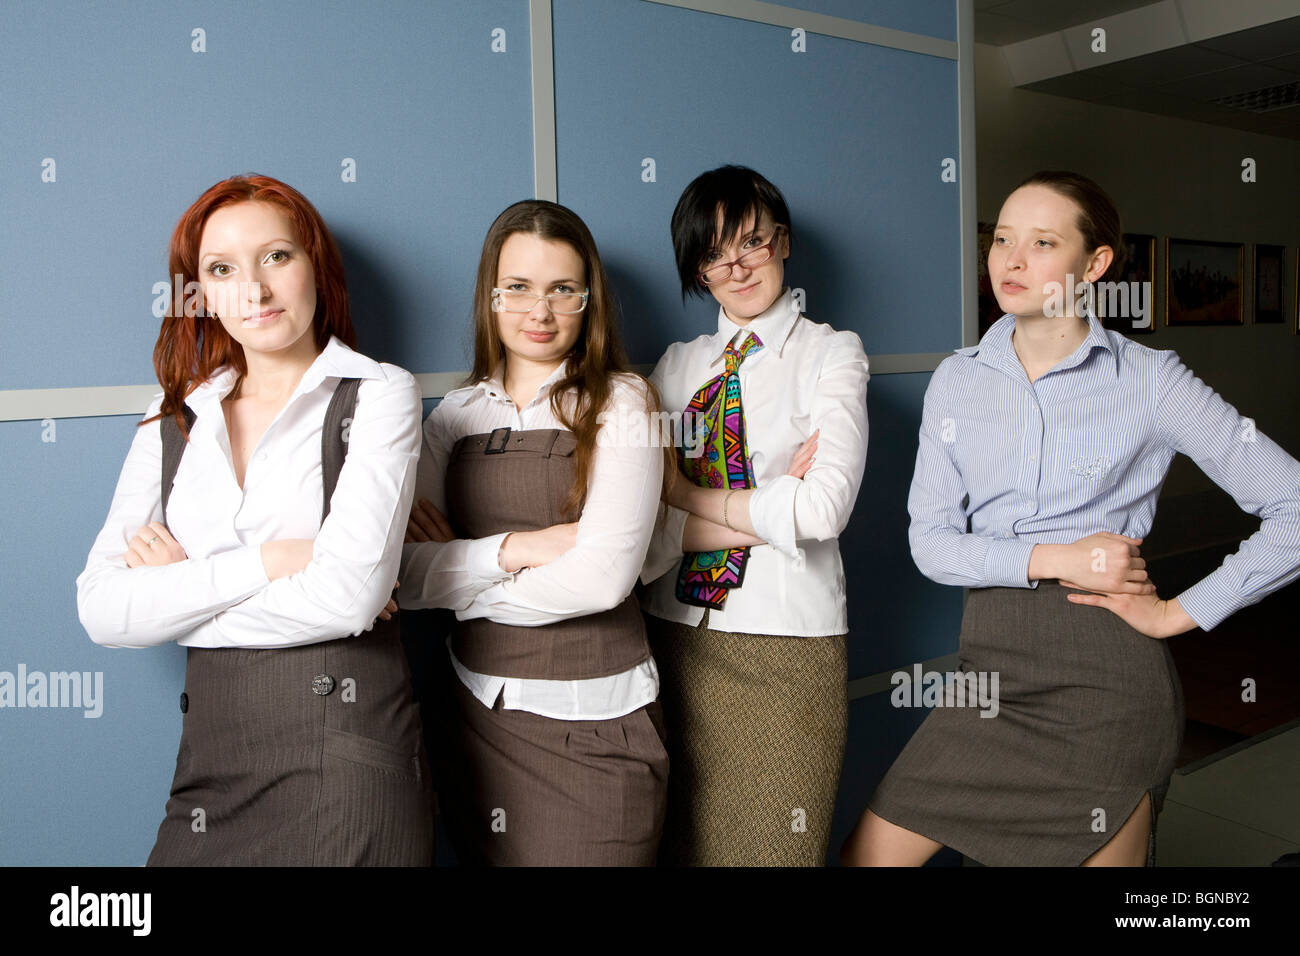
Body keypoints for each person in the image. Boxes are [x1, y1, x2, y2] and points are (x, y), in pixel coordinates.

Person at [842, 170, 1300, 866]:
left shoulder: (1150, 381)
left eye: (1043, 242)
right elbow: (931, 544)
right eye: (1002, 239)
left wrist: (1180, 613)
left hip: (1110, 688)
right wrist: (1055, 559)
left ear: (1095, 264)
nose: (1012, 260)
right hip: (987, 676)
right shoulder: (957, 380)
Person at [76, 174, 433, 865]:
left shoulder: (379, 393)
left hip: (348, 761)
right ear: (199, 292)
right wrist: (277, 560)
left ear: (316, 266)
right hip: (212, 765)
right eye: (222, 270)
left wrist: (178, 591)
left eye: (277, 257)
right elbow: (101, 609)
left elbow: (349, 597)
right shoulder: (175, 414)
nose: (255, 291)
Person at [396, 199, 669, 866]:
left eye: (562, 290)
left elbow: (603, 580)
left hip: (593, 726)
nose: (538, 313)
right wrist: (516, 550)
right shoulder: (454, 417)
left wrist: (458, 576)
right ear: (491, 296)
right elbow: (402, 575)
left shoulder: (623, 403)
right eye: (517, 288)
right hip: (474, 716)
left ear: (588, 299)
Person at [639, 165, 870, 865]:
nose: (735, 267)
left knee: (776, 851)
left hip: (785, 647)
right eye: (713, 254)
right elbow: (637, 524)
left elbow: (824, 508)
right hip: (668, 637)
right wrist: (770, 509)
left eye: (752, 244)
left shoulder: (831, 354)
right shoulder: (672, 369)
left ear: (784, 242)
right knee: (680, 846)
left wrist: (685, 497)